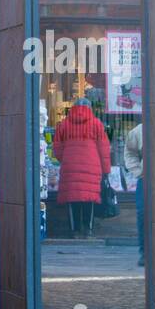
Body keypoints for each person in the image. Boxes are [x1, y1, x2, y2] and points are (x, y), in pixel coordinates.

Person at [53, 97, 111, 238]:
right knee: (89, 199)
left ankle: (75, 231)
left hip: (70, 166)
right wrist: (106, 170)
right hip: (91, 166)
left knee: (73, 199)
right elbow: (104, 149)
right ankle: (88, 230)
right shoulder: (96, 124)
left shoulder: (64, 124)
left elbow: (57, 147)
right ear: (89, 108)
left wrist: (65, 159)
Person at [124, 121, 144, 266]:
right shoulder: (139, 130)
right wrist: (139, 172)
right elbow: (130, 152)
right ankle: (145, 252)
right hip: (146, 180)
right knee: (143, 215)